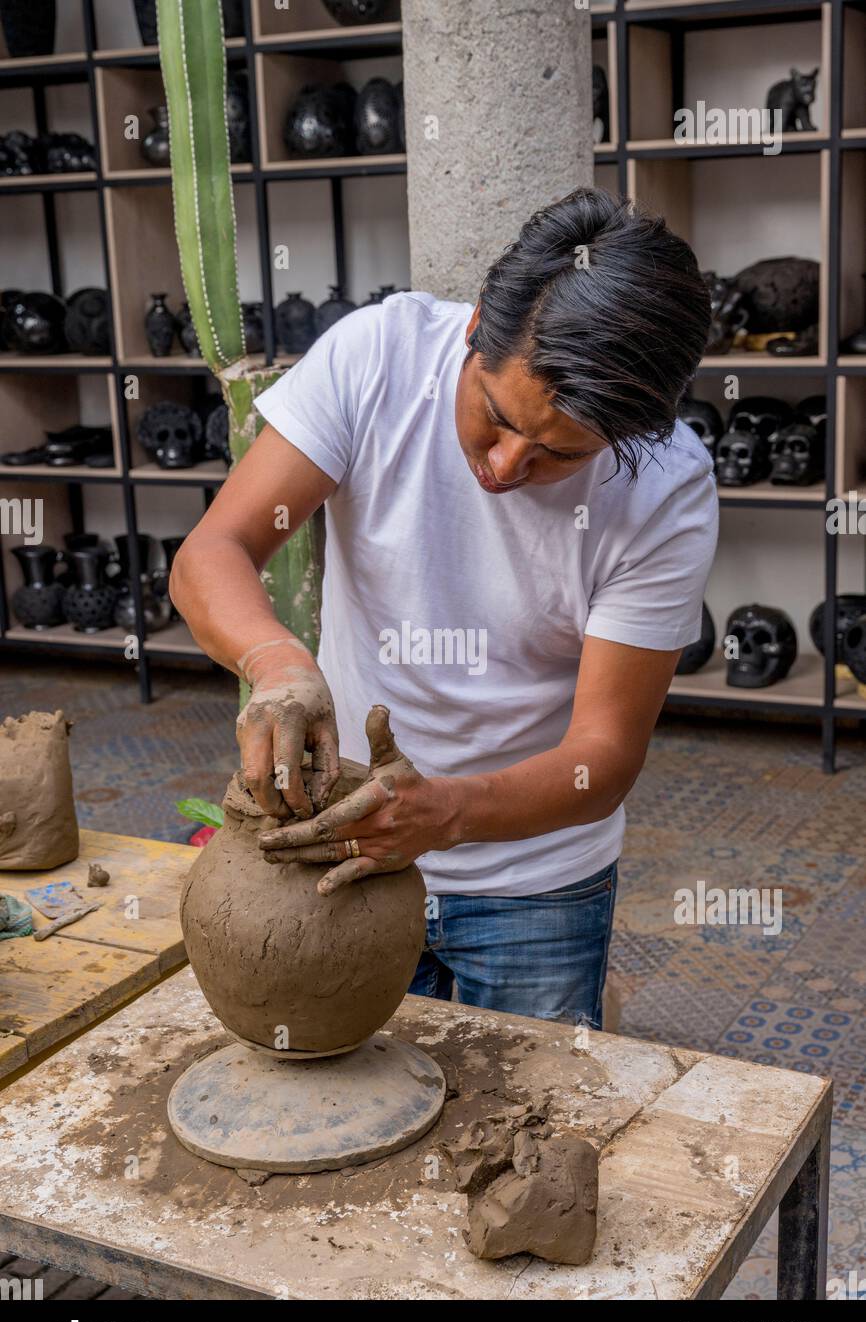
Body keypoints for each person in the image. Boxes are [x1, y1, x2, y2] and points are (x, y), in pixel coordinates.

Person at [170, 186, 718, 1031]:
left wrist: (446, 816)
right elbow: (215, 552)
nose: (503, 467)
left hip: (535, 880)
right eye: (495, 418)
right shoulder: (378, 360)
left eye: (557, 454)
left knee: (527, 1125)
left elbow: (601, 758)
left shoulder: (665, 489)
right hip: (346, 843)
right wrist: (278, 664)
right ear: (472, 334)